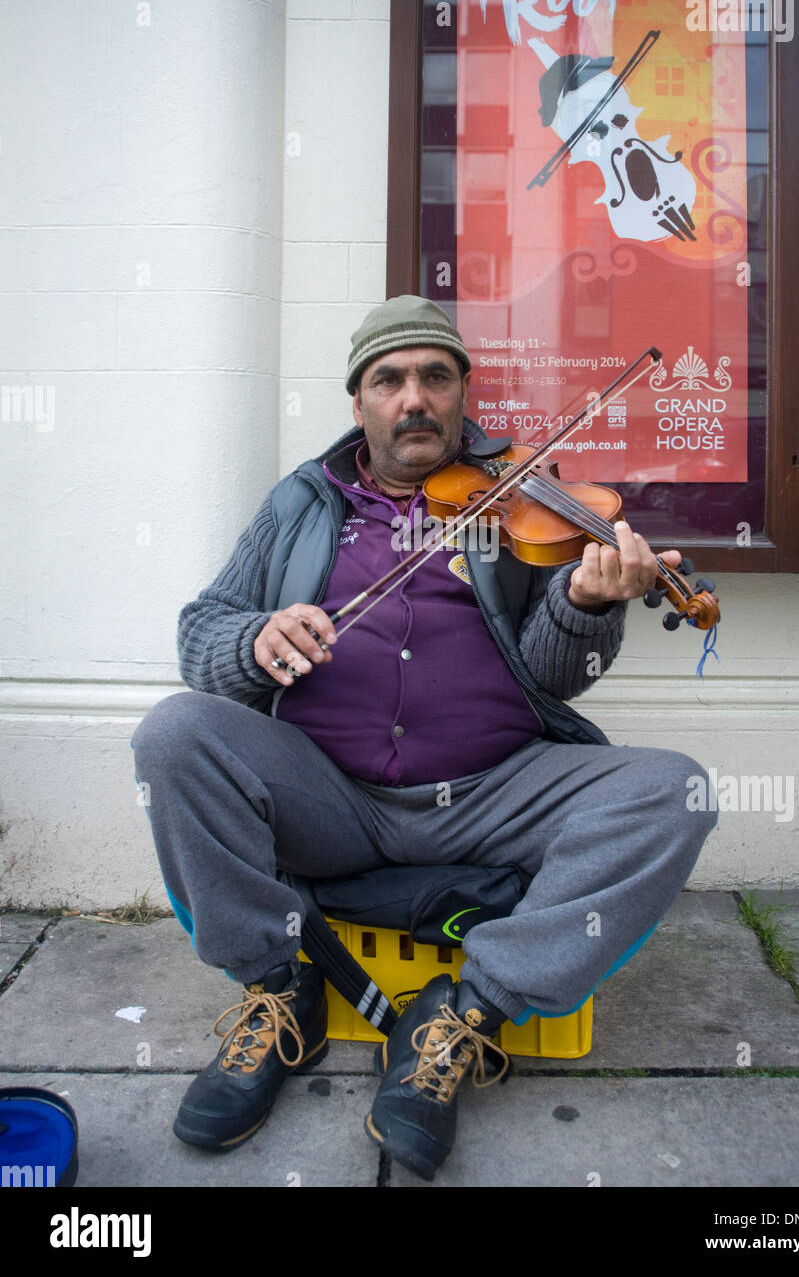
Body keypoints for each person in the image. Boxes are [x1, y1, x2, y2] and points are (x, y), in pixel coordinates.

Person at [131, 294, 716, 1182]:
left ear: (462, 394)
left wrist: (588, 607)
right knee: (176, 733)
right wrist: (252, 643)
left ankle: (464, 1013)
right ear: (359, 403)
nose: (415, 398)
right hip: (330, 794)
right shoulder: (303, 502)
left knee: (676, 789)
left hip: (494, 790)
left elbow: (556, 680)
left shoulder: (522, 498)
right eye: (390, 380)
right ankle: (278, 988)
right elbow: (200, 633)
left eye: (435, 377)